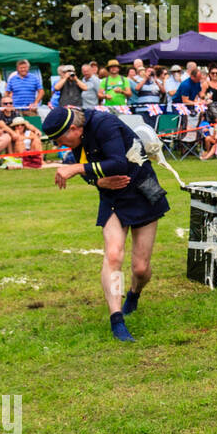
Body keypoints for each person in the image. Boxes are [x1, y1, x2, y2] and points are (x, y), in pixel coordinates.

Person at [43, 104, 170, 342]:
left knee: (141, 269)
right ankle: (117, 318)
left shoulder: (104, 124)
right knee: (113, 255)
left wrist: (76, 169)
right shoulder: (78, 136)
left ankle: (134, 292)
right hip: (113, 198)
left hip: (142, 191)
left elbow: (118, 164)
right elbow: (87, 168)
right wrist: (96, 183)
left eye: (61, 139)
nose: (61, 145)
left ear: (73, 128)